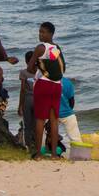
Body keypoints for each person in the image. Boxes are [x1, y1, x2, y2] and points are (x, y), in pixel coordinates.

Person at [27, 22, 66, 160]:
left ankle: (38, 154)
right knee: (54, 120)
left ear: (50, 34)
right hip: (56, 86)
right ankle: (54, 154)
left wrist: (37, 67)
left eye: (43, 32)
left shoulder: (40, 48)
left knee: (40, 119)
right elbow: (59, 68)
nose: (40, 34)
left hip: (43, 84)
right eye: (39, 31)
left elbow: (30, 68)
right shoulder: (56, 48)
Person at [16, 50, 37, 153]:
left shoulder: (24, 72)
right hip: (39, 99)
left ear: (26, 61)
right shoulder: (40, 72)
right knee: (37, 124)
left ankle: (29, 146)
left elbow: (22, 90)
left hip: (28, 100)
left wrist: (20, 105)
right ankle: (37, 145)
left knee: (27, 125)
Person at [58, 76, 82, 146]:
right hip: (67, 113)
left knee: (48, 134)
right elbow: (71, 100)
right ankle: (79, 152)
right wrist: (69, 110)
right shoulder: (67, 82)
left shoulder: (45, 81)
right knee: (76, 138)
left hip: (51, 114)